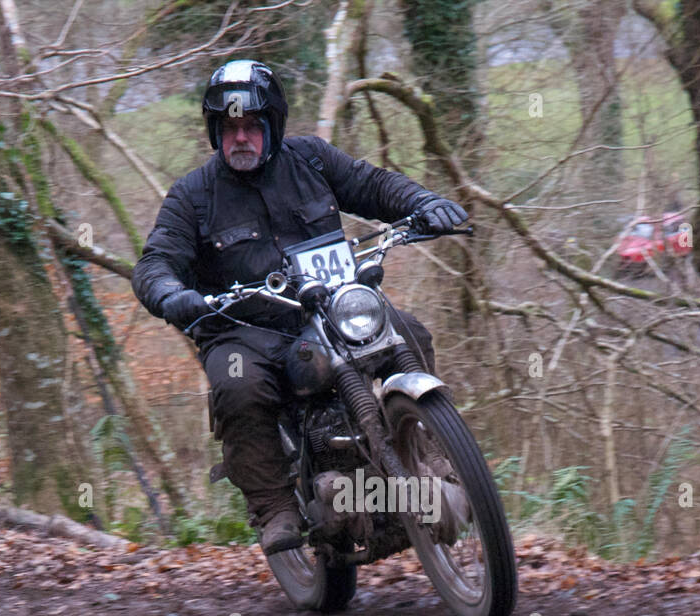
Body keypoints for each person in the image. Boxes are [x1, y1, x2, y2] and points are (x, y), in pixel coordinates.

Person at [132, 59, 469, 554]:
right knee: (238, 384)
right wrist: (172, 294)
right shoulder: (192, 196)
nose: (240, 137)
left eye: (251, 126)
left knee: (410, 332)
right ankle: (274, 507)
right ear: (215, 132)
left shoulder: (310, 160)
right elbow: (156, 261)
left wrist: (424, 202)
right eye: (229, 128)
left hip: (335, 307)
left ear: (273, 127)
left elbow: (372, 185)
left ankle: (427, 456)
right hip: (246, 327)